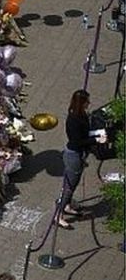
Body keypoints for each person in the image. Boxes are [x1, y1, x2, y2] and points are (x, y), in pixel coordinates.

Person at [57, 90, 108, 228]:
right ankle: (58, 215)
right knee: (69, 187)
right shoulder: (73, 120)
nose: (89, 103)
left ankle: (67, 205)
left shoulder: (80, 114)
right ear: (81, 103)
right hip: (73, 155)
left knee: (74, 183)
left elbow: (84, 134)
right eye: (86, 101)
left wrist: (96, 134)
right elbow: (77, 141)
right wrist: (96, 140)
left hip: (78, 154)